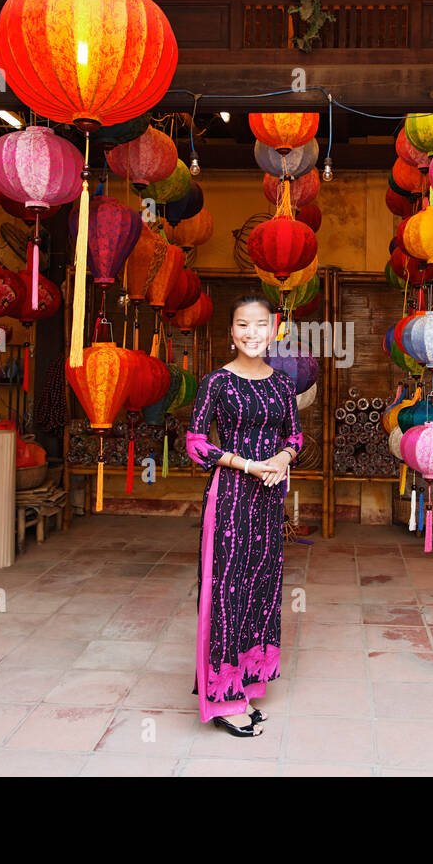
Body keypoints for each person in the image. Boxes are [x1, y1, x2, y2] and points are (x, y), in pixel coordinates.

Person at [185, 295, 303, 737]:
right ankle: (223, 698)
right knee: (225, 591)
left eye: (260, 324)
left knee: (262, 588)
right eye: (242, 324)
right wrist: (248, 465)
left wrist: (284, 457)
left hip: (269, 501)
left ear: (274, 329)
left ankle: (247, 683)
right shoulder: (216, 382)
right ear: (231, 331)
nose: (252, 333)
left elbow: (295, 433)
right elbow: (195, 442)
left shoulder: (282, 385)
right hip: (232, 496)